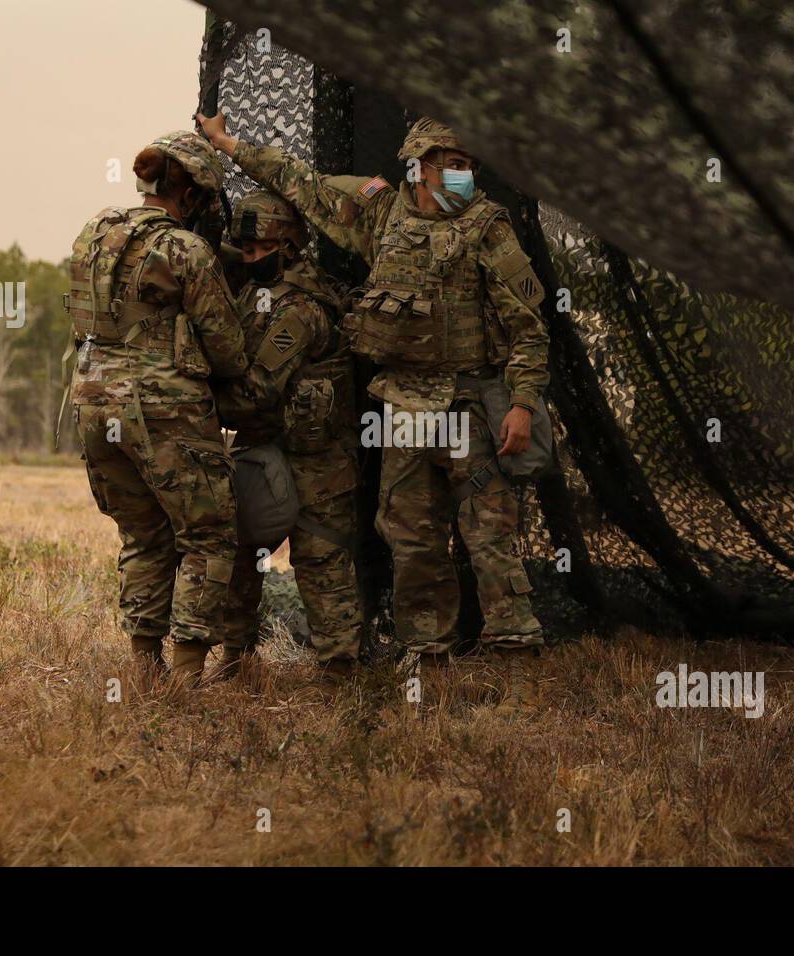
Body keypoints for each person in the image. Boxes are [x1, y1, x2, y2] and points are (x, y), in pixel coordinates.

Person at [197, 113, 549, 708]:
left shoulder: (488, 228)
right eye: (453, 165)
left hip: (468, 405)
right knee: (412, 540)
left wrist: (522, 402)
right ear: (419, 166)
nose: (463, 176)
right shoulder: (382, 215)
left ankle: (517, 664)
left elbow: (529, 326)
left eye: (469, 166)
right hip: (405, 408)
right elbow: (300, 182)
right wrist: (231, 145)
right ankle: (428, 659)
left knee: (488, 536)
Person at [65, 130, 246, 684]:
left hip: (92, 404)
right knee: (207, 536)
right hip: (163, 412)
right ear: (190, 193)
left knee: (143, 535)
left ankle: (145, 667)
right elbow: (227, 348)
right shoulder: (186, 250)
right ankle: (189, 672)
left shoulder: (92, 234)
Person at [213, 189, 363, 682]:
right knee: (240, 550)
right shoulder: (254, 297)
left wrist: (199, 405)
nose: (251, 259)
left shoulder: (300, 309)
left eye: (260, 251)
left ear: (290, 247)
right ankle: (237, 656)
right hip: (264, 448)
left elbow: (259, 387)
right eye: (247, 251)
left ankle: (340, 670)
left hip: (318, 458)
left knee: (321, 558)